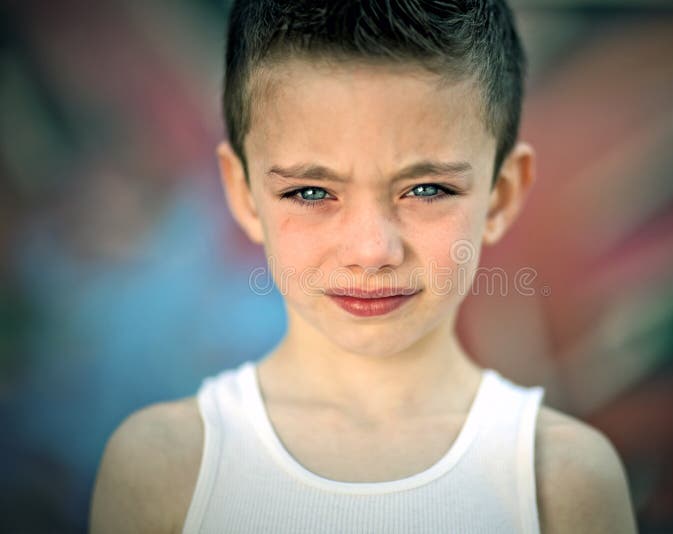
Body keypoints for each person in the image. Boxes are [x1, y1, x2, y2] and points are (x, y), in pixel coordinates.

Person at [90, 1, 638, 532]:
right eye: (310, 191)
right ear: (243, 195)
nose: (372, 250)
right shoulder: (162, 471)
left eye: (426, 189)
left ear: (501, 196)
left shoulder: (564, 483)